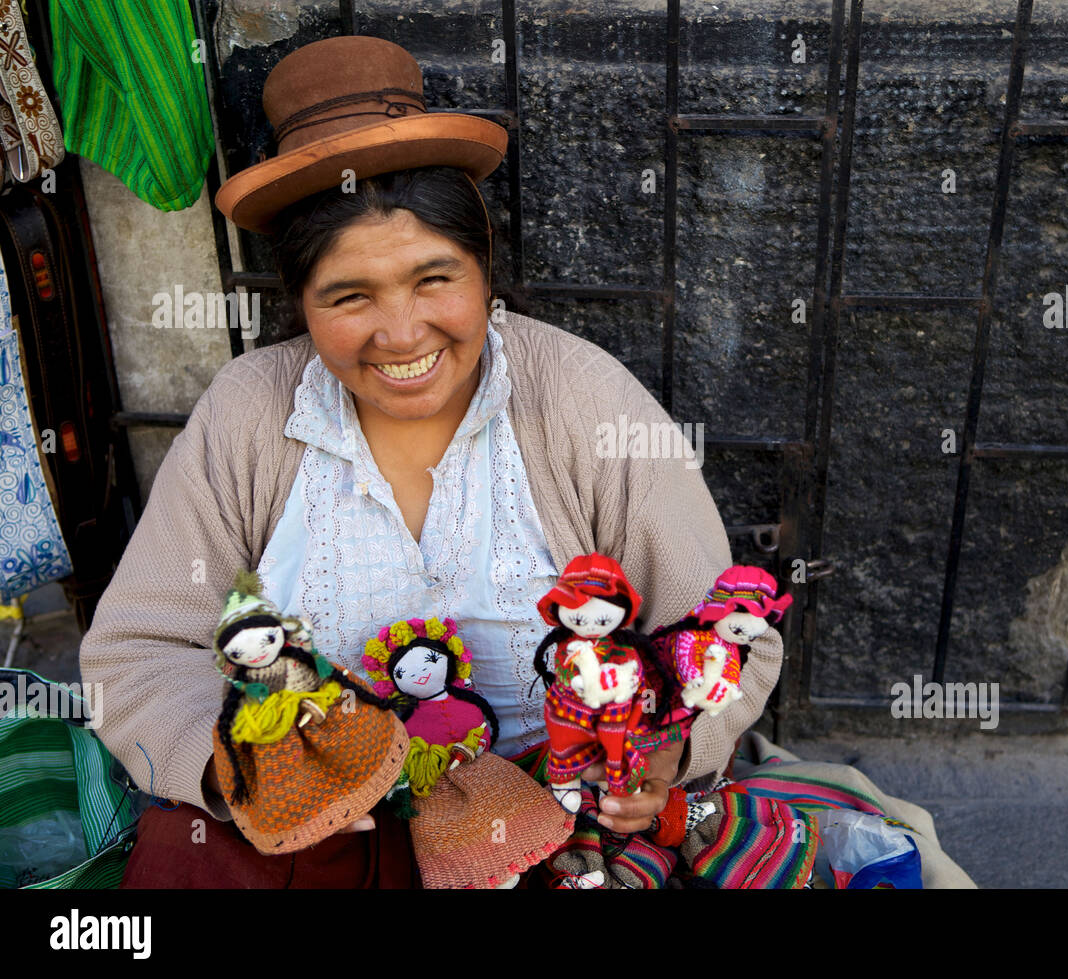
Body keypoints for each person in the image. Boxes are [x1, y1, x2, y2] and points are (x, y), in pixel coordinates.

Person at [80, 34, 974, 888]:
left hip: (562, 825)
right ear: (301, 304)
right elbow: (138, 652)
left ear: (484, 269)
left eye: (435, 279)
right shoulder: (247, 411)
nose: (402, 334)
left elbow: (727, 634)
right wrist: (253, 778)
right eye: (350, 295)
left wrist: (660, 750)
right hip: (307, 839)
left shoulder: (583, 398)